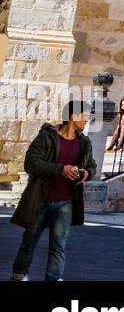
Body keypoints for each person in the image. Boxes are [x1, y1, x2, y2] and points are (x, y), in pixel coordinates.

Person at [10, 100, 96, 281]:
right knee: (29, 242)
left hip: (66, 202)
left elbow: (92, 166)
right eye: (85, 115)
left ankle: (54, 278)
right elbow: (30, 164)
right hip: (40, 199)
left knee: (59, 246)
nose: (87, 119)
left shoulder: (84, 142)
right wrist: (61, 169)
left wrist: (86, 173)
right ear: (73, 116)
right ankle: (19, 275)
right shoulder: (46, 137)